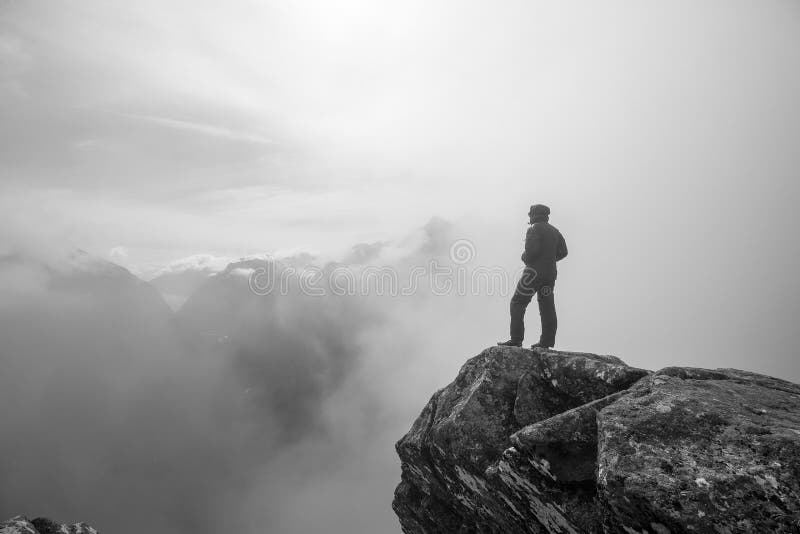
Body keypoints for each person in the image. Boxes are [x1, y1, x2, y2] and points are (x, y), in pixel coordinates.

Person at [498, 204, 568, 349]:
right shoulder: (555, 231)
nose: (528, 216)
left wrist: (524, 257)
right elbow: (564, 251)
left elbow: (531, 252)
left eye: (530, 214)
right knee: (547, 307)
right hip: (549, 275)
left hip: (532, 274)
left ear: (534, 215)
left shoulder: (534, 228)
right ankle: (546, 343)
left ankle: (516, 340)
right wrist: (550, 260)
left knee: (517, 303)